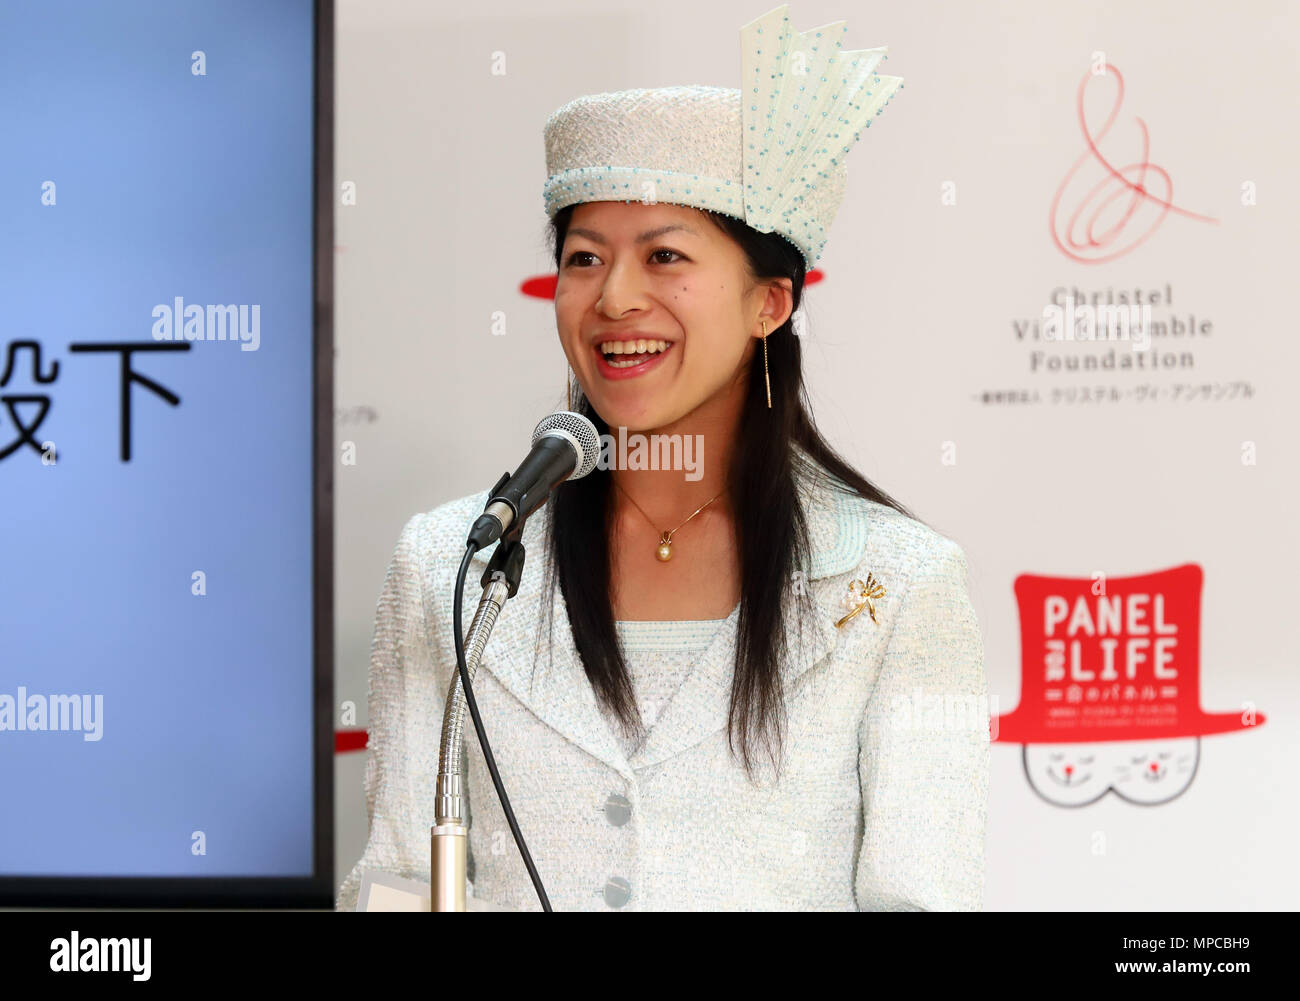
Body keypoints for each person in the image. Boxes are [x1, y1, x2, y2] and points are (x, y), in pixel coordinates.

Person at [338, 3, 989, 912]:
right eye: (585, 258)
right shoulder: (453, 564)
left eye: (665, 255)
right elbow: (400, 882)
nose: (615, 298)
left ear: (769, 302)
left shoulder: (898, 584)